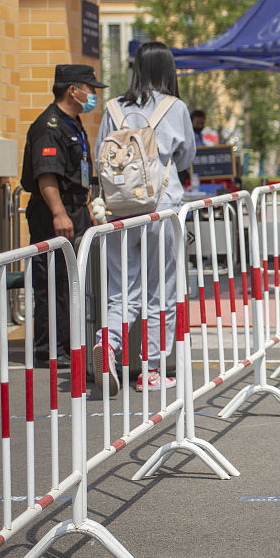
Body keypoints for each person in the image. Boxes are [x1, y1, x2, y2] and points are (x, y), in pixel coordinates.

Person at [95, 42, 197, 393]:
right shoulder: (175, 107)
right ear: (168, 69)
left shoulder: (113, 107)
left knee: (120, 290)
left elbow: (100, 155)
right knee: (160, 290)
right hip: (160, 209)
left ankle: (108, 345)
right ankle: (151, 370)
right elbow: (185, 159)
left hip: (119, 211)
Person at [21, 64, 107, 365]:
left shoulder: (73, 123)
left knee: (71, 280)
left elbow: (78, 174)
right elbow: (47, 177)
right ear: (73, 90)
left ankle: (71, 345)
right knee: (52, 281)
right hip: (53, 212)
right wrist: (59, 213)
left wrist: (85, 209)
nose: (92, 94)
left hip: (74, 208)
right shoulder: (50, 126)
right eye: (90, 88)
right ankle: (49, 351)